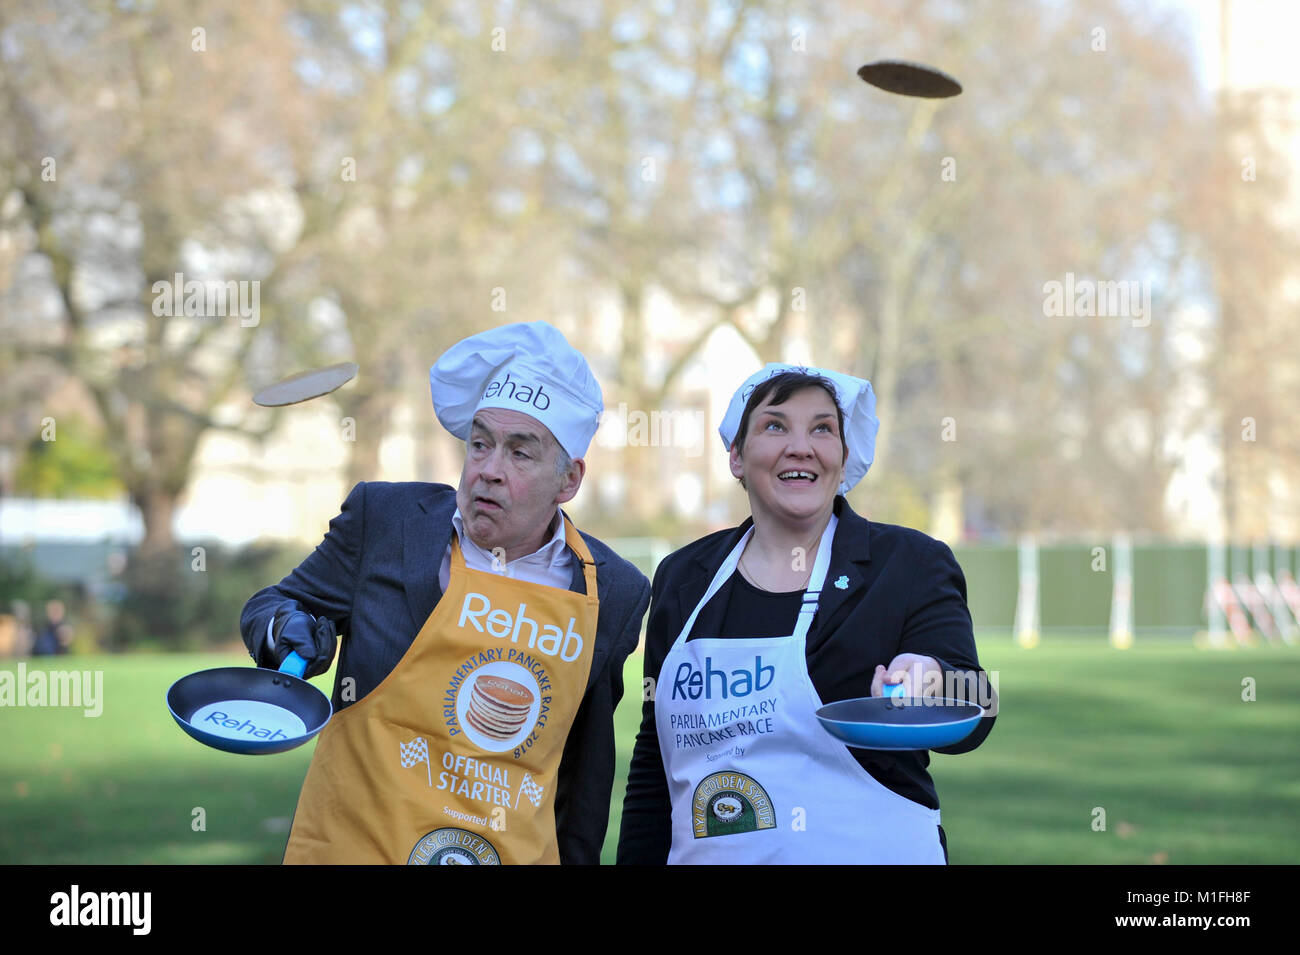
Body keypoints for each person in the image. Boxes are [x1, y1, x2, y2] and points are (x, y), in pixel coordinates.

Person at [241, 321, 651, 865]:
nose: (488, 471)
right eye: (480, 444)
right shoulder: (386, 522)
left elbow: (584, 781)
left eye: (520, 454)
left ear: (569, 480)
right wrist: (284, 629)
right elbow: (273, 606)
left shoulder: (616, 591)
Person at [617, 364, 996, 864]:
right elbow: (655, 764)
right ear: (736, 456)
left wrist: (931, 678)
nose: (801, 446)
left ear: (843, 456)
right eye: (775, 426)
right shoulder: (684, 578)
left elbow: (979, 703)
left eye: (822, 428)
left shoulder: (906, 564)